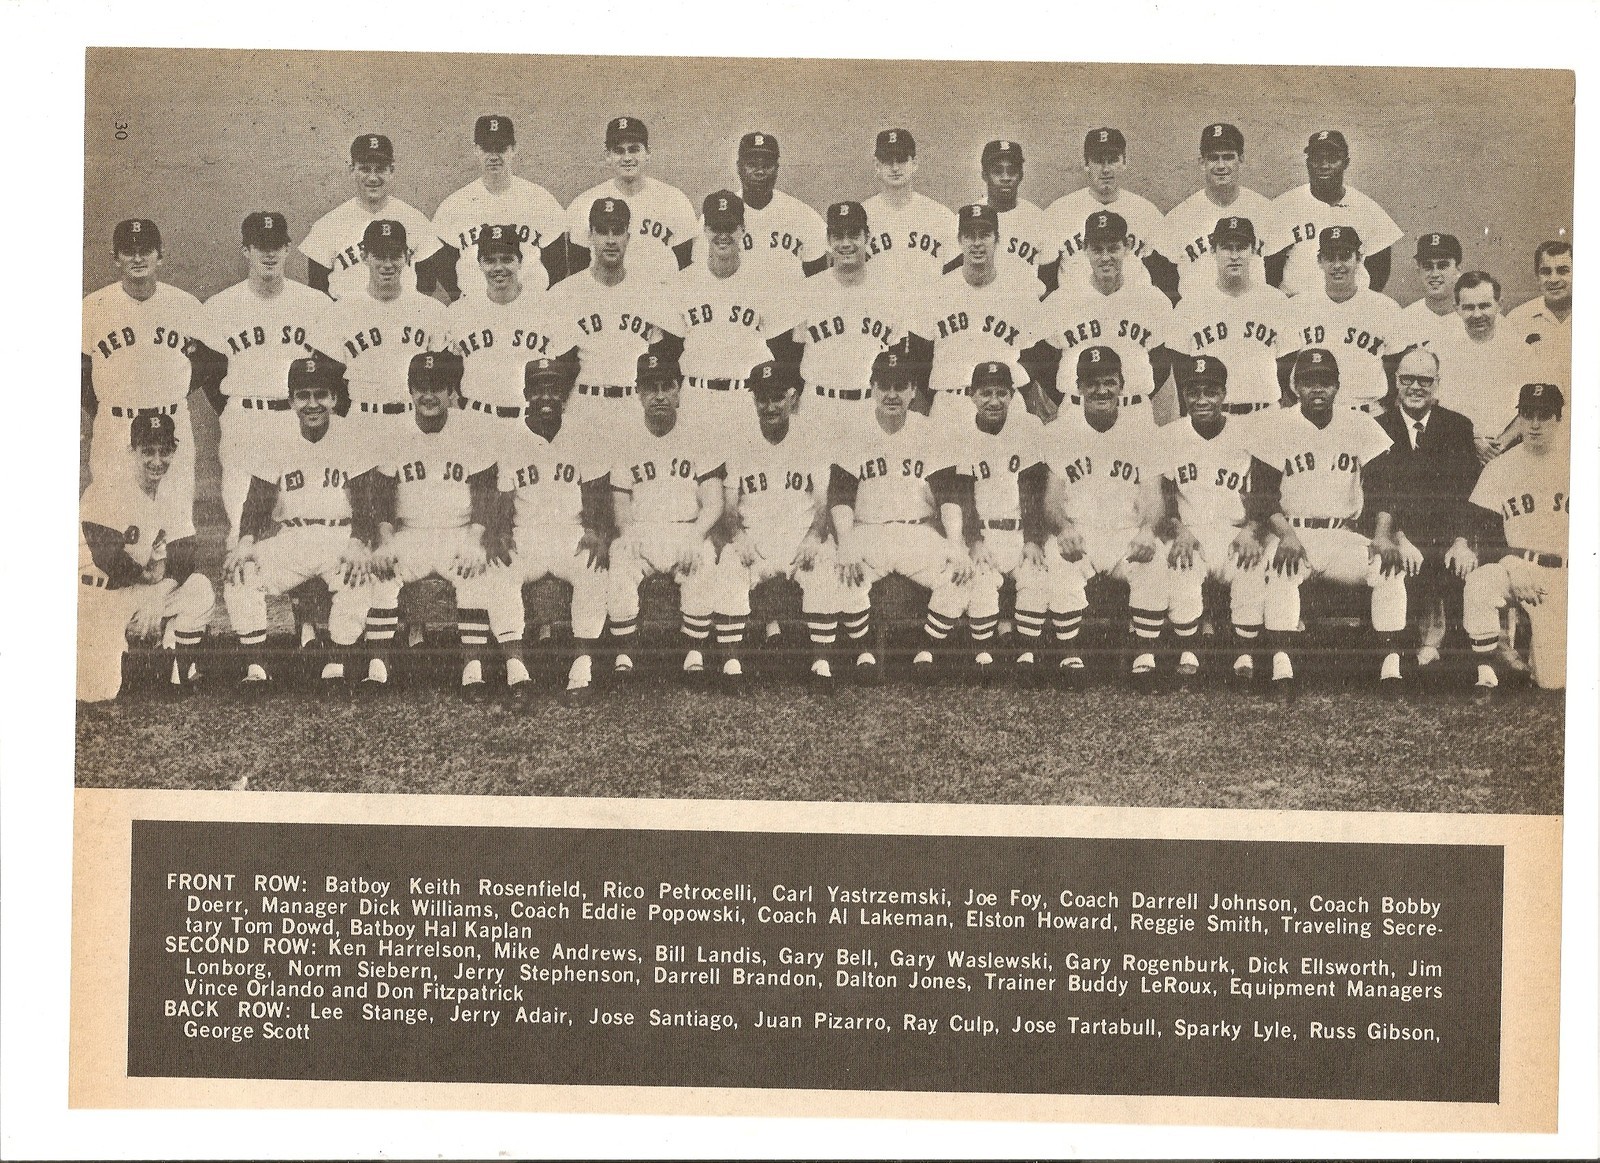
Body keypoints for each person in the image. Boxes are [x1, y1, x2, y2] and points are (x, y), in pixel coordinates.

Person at [1244, 348, 1409, 699]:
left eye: (1324, 382)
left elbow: (1386, 491)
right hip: (1294, 532)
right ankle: (1282, 670)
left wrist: (1382, 536)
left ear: (1337, 386)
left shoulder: (1361, 425)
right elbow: (1261, 497)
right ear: (1295, 386)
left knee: (1387, 565)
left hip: (1343, 535)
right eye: (1308, 382)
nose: (1316, 390)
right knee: (1281, 567)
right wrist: (1286, 534)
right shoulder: (1276, 426)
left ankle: (1391, 670)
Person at [363, 351, 522, 696]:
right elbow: (382, 494)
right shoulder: (395, 432)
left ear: (453, 392)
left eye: (438, 387)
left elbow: (484, 489)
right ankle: (378, 666)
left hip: (459, 530)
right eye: (420, 387)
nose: (428, 395)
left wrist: (476, 539)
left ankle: (473, 667)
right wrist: (386, 539)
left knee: (474, 572)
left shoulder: (472, 429)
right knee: (382, 572)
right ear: (409, 391)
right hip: (411, 532)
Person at [221, 357, 379, 689]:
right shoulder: (274, 436)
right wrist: (245, 542)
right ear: (291, 400)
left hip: (339, 535)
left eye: (321, 394)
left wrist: (358, 542)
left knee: (361, 574)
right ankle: (257, 667)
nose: (312, 404)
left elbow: (366, 505)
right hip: (293, 536)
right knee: (241, 571)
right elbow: (256, 501)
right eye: (303, 395)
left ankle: (337, 660)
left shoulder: (354, 435)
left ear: (334, 399)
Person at [827, 346, 972, 681]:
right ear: (872, 388)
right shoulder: (853, 429)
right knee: (838, 570)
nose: (891, 394)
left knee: (963, 574)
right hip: (867, 529)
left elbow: (949, 494)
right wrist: (846, 542)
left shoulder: (930, 430)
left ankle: (926, 650)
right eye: (884, 386)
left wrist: (955, 541)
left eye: (900, 386)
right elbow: (840, 495)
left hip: (917, 531)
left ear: (912, 391)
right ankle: (862, 649)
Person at [198, 211, 335, 543]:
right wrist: (236, 408)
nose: (269, 254)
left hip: (296, 419)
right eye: (261, 246)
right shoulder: (220, 307)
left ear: (288, 249)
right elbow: (209, 371)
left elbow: (330, 369)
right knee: (241, 532)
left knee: (299, 522)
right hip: (245, 420)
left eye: (276, 246)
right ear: (246, 251)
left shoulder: (314, 304)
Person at [1041, 346, 1171, 687]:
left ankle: (1145, 654)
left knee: (1155, 559)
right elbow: (1051, 501)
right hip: (1080, 531)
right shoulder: (1060, 432)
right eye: (1093, 383)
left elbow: (1154, 496)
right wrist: (1064, 527)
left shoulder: (1142, 432)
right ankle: (1069, 655)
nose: (1102, 390)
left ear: (1122, 385)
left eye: (1110, 382)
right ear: (1079, 387)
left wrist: (1147, 530)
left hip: (1125, 532)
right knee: (1056, 555)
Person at [711, 361, 841, 685]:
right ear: (754, 401)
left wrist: (814, 537)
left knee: (824, 562)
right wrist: (738, 536)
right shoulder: (739, 440)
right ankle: (731, 667)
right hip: (755, 536)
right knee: (729, 563)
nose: (770, 406)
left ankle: (821, 665)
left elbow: (823, 503)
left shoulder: (812, 437)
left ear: (792, 397)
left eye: (777, 398)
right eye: (762, 399)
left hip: (799, 535)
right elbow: (729, 507)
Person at [494, 357, 614, 704]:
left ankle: (582, 668)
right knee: (499, 568)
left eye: (553, 389)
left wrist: (595, 531)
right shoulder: (511, 439)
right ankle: (517, 672)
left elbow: (596, 492)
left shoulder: (582, 435)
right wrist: (502, 534)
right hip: (526, 534)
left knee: (593, 566)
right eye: (538, 389)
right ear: (526, 393)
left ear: (564, 395)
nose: (546, 396)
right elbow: (503, 500)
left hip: (570, 532)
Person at [604, 352, 726, 679]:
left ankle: (694, 651)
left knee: (701, 559)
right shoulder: (626, 438)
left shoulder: (699, 434)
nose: (659, 395)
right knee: (620, 556)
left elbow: (714, 502)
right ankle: (625, 653)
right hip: (643, 529)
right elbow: (621, 505)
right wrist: (627, 533)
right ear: (639, 394)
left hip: (687, 527)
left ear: (678, 390)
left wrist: (696, 534)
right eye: (650, 387)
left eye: (666, 386)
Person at [77, 414, 214, 702]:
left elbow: (185, 552)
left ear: (173, 452)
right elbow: (108, 559)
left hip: (140, 590)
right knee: (97, 693)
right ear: (131, 451)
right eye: (147, 451)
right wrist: (149, 580)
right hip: (97, 595)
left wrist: (157, 591)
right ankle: (134, 652)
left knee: (199, 588)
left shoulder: (173, 493)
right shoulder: (106, 490)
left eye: (164, 451)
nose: (157, 460)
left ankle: (173, 661)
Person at [81, 219, 207, 524]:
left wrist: (169, 393)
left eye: (146, 250)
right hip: (116, 422)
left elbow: (204, 364)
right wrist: (105, 407)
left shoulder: (186, 305)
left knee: (175, 516)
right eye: (129, 251)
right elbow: (79, 373)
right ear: (116, 257)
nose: (138, 258)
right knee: (112, 518)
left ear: (160, 255)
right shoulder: (93, 306)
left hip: (172, 419)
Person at [1365, 346, 1481, 674]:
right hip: (1398, 532)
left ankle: (1451, 649)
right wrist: (1399, 537)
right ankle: (1396, 648)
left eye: (1424, 380)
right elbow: (1374, 493)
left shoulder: (1457, 426)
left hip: (1445, 533)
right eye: (1407, 379)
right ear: (1396, 382)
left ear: (1437, 384)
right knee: (1394, 560)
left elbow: (1467, 492)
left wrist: (1461, 540)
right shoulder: (1378, 427)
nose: (1416, 387)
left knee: (1454, 560)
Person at [1157, 354, 1269, 685]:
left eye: (1210, 391)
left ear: (1223, 394)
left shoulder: (1246, 432)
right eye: (1193, 392)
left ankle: (1244, 651)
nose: (1202, 400)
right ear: (1185, 396)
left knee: (1250, 563)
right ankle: (1189, 648)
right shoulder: (1171, 435)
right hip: (1191, 532)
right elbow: (1163, 495)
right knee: (1182, 563)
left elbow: (1264, 492)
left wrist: (1251, 531)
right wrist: (1178, 531)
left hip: (1235, 531)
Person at [953, 361, 1060, 679]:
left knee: (1036, 577)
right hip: (984, 532)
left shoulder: (1027, 427)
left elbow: (1034, 488)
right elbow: (963, 496)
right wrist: (973, 540)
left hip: (1018, 531)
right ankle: (983, 654)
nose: (994, 400)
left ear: (1013, 395)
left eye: (1002, 393)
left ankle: (1027, 652)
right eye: (986, 393)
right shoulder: (963, 433)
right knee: (981, 582)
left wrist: (1033, 539)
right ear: (972, 395)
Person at [1462, 382, 1569, 699]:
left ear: (1558, 419)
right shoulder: (1499, 468)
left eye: (1543, 416)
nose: (1534, 424)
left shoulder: (1579, 462)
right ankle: (1488, 671)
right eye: (1527, 415)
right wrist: (1512, 565)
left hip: (1568, 571)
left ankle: (1542, 654)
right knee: (1481, 582)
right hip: (1521, 568)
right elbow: (1485, 531)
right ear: (1519, 419)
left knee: (1554, 681)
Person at [770, 200, 909, 436]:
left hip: (871, 407)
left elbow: (901, 358)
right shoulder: (806, 291)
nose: (846, 243)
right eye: (838, 236)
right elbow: (786, 354)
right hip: (818, 405)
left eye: (854, 234)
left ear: (868, 237)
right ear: (828, 240)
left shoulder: (891, 291)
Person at [306, 220, 448, 442]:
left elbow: (445, 378)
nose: (388, 264)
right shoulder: (340, 311)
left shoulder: (432, 311)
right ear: (364, 256)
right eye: (380, 255)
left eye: (395, 255)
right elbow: (325, 380)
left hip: (415, 421)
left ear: (407, 258)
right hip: (360, 420)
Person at [540, 197, 675, 429]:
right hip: (585, 405)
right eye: (603, 231)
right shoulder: (565, 293)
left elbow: (662, 354)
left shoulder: (651, 291)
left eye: (618, 231)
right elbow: (559, 363)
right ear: (590, 236)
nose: (611, 240)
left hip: (635, 406)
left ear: (628, 237)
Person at [907, 203, 1049, 422]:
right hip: (951, 402)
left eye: (984, 235)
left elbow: (1036, 356)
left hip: (1003, 405)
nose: (977, 243)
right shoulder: (935, 291)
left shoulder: (1020, 292)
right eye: (969, 235)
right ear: (959, 240)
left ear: (997, 239)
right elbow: (919, 358)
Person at [1036, 209, 1178, 426]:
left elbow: (1162, 361)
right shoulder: (1062, 300)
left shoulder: (1152, 300)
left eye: (1113, 248)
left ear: (1127, 247)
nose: (1105, 257)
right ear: (1085, 249)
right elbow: (1043, 361)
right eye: (1097, 249)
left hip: (1133, 411)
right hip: (1077, 413)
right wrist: (1070, 397)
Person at [660, 191, 790, 426]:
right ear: (705, 230)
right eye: (715, 227)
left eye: (729, 227)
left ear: (741, 230)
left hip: (746, 397)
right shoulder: (680, 284)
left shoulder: (766, 284)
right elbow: (668, 351)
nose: (723, 235)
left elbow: (783, 350)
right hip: (695, 396)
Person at [429, 115, 568, 301]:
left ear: (513, 149)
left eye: (501, 148)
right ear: (476, 149)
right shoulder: (454, 206)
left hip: (531, 306)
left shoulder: (541, 201)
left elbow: (557, 265)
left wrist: (536, 297)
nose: (494, 156)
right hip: (474, 307)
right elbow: (445, 269)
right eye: (487, 148)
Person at [442, 223, 566, 430]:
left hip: (529, 421)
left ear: (520, 262)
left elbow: (566, 367)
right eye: (490, 260)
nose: (498, 267)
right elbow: (449, 372)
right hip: (477, 419)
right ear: (480, 264)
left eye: (507, 259)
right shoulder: (459, 311)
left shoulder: (548, 308)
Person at [1167, 216, 1292, 413]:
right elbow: (1180, 369)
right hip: (1212, 416)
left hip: (1265, 413)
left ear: (1252, 251)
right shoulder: (1190, 305)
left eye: (1241, 247)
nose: (1234, 256)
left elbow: (1288, 363)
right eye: (1226, 247)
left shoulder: (1276, 301)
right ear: (1213, 251)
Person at [1280, 226, 1407, 415]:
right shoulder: (1298, 306)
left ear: (1358, 259)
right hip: (1312, 414)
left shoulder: (1385, 308)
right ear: (1320, 261)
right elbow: (1283, 366)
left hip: (1367, 413)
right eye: (1330, 257)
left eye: (1345, 256)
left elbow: (1396, 365)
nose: (1337, 265)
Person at [298, 134, 439, 301]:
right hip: (346, 320)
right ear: (352, 170)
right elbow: (317, 290)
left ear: (391, 171)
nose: (373, 177)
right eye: (365, 169)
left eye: (380, 169)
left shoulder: (415, 220)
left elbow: (427, 285)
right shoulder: (328, 224)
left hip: (402, 318)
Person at [1046, 127, 1176, 300]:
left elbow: (1167, 278)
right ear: (1086, 164)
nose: (1106, 169)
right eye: (1099, 161)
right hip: (1077, 312)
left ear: (1124, 162)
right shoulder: (1059, 212)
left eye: (1113, 160)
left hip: (1132, 313)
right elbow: (1043, 275)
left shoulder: (1146, 212)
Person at [1269, 130, 1401, 297]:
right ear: (1308, 163)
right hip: (1296, 307)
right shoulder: (1283, 206)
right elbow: (1268, 268)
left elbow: (1379, 272)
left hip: (1350, 309)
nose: (1324, 166)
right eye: (1317, 159)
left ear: (1346, 163)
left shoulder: (1367, 209)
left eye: (1332, 159)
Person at [564, 116, 697, 283]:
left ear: (648, 153)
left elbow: (686, 269)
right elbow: (579, 275)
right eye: (619, 151)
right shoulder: (584, 204)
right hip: (606, 301)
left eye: (634, 149)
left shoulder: (674, 200)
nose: (627, 158)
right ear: (608, 156)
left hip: (660, 299)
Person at [1164, 123, 1284, 298]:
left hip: (1253, 314)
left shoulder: (1265, 210)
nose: (1221, 165)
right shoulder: (1179, 216)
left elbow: (1276, 274)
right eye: (1213, 158)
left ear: (1241, 159)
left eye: (1228, 157)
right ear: (1202, 162)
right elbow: (1167, 280)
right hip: (1199, 316)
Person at [696, 132, 828, 280]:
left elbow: (819, 282)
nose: (760, 172)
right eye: (752, 164)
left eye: (767, 165)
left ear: (777, 168)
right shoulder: (715, 217)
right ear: (739, 167)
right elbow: (702, 277)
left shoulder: (805, 217)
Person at [1434, 272, 1530, 462]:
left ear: (1499, 304)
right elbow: (1432, 405)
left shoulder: (1519, 349)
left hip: (1506, 450)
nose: (1477, 314)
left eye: (1485, 305)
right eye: (1469, 307)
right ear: (1457, 308)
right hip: (1453, 449)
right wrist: (1469, 441)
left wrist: (1500, 446)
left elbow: (1529, 408)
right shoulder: (1440, 347)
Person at [861, 128, 957, 291]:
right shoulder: (862, 215)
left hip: (928, 311)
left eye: (902, 159)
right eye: (887, 161)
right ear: (877, 165)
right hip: (876, 311)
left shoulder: (941, 216)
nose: (895, 167)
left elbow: (956, 279)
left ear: (914, 163)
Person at [977, 139, 1055, 291]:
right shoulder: (968, 218)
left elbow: (1049, 286)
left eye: (1012, 171)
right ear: (985, 176)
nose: (1005, 178)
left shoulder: (1040, 220)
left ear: (1021, 176)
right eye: (998, 171)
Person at [1505, 240, 1572, 382]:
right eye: (1546, 272)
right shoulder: (1516, 320)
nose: (1554, 279)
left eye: (1562, 271)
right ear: (1537, 277)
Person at [1400, 232, 1467, 351]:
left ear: (1458, 270)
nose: (1435, 274)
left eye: (1442, 266)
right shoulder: (1403, 320)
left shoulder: (1475, 316)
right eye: (1428, 266)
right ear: (1419, 270)